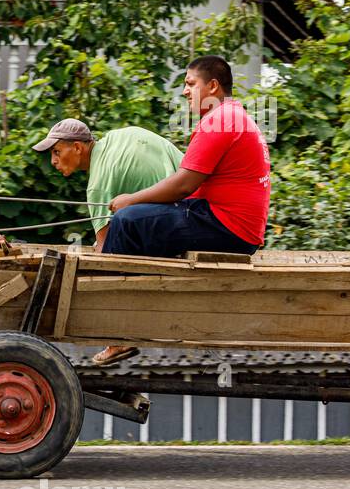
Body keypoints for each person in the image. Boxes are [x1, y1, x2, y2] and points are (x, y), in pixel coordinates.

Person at [92, 55, 272, 366]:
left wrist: (130, 200)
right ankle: (142, 311)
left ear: (213, 86)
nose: (185, 91)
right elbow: (187, 187)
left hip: (226, 225)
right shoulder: (232, 116)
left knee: (127, 220)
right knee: (144, 217)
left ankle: (117, 334)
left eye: (190, 84)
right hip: (226, 221)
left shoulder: (220, 121)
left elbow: (183, 185)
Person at [33, 119, 184, 250]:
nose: (53, 161)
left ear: (78, 147)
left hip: (180, 218)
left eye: (57, 152)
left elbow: (104, 249)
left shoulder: (98, 185)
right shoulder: (121, 135)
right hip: (198, 195)